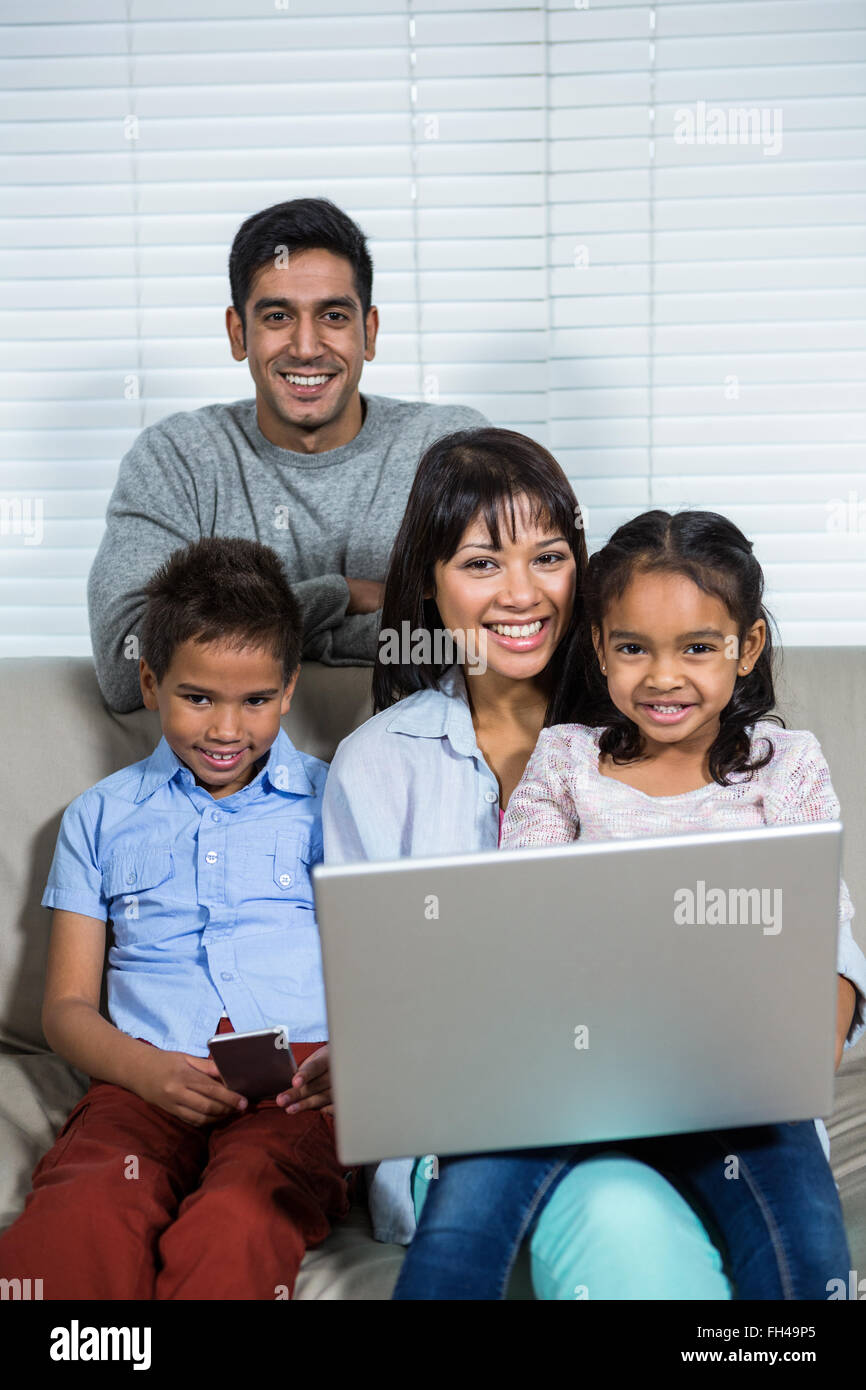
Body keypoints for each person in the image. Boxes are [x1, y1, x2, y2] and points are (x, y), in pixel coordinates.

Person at [392, 508, 866, 1300]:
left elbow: (824, 936)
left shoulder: (787, 767)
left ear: (746, 648)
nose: (664, 677)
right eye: (634, 648)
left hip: (737, 1084)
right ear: (601, 649)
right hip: (577, 1070)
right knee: (462, 1213)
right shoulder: (567, 759)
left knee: (807, 1258)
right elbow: (523, 912)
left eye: (699, 648)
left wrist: (812, 1036)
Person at [323, 431, 734, 1299]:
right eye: (480, 563)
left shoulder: (664, 719)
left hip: (669, 1101)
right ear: (428, 587)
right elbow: (380, 1010)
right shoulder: (375, 766)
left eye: (548, 557)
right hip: (475, 1131)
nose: (522, 593)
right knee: (616, 1209)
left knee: (639, 1190)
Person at [0, 538, 348, 1299]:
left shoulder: (336, 802)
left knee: (237, 1218)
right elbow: (65, 1008)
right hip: (141, 1082)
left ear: (288, 690)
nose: (226, 730)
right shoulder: (98, 818)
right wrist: (144, 1071)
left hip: (293, 1090)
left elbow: (382, 970)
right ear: (151, 681)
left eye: (255, 700)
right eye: (198, 698)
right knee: (82, 1217)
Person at [88, 197, 487, 712]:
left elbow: (491, 641)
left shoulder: (451, 448)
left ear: (368, 332)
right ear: (238, 333)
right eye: (277, 316)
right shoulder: (177, 459)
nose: (305, 346)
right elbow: (129, 664)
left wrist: (285, 628)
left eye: (333, 315)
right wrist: (339, 594)